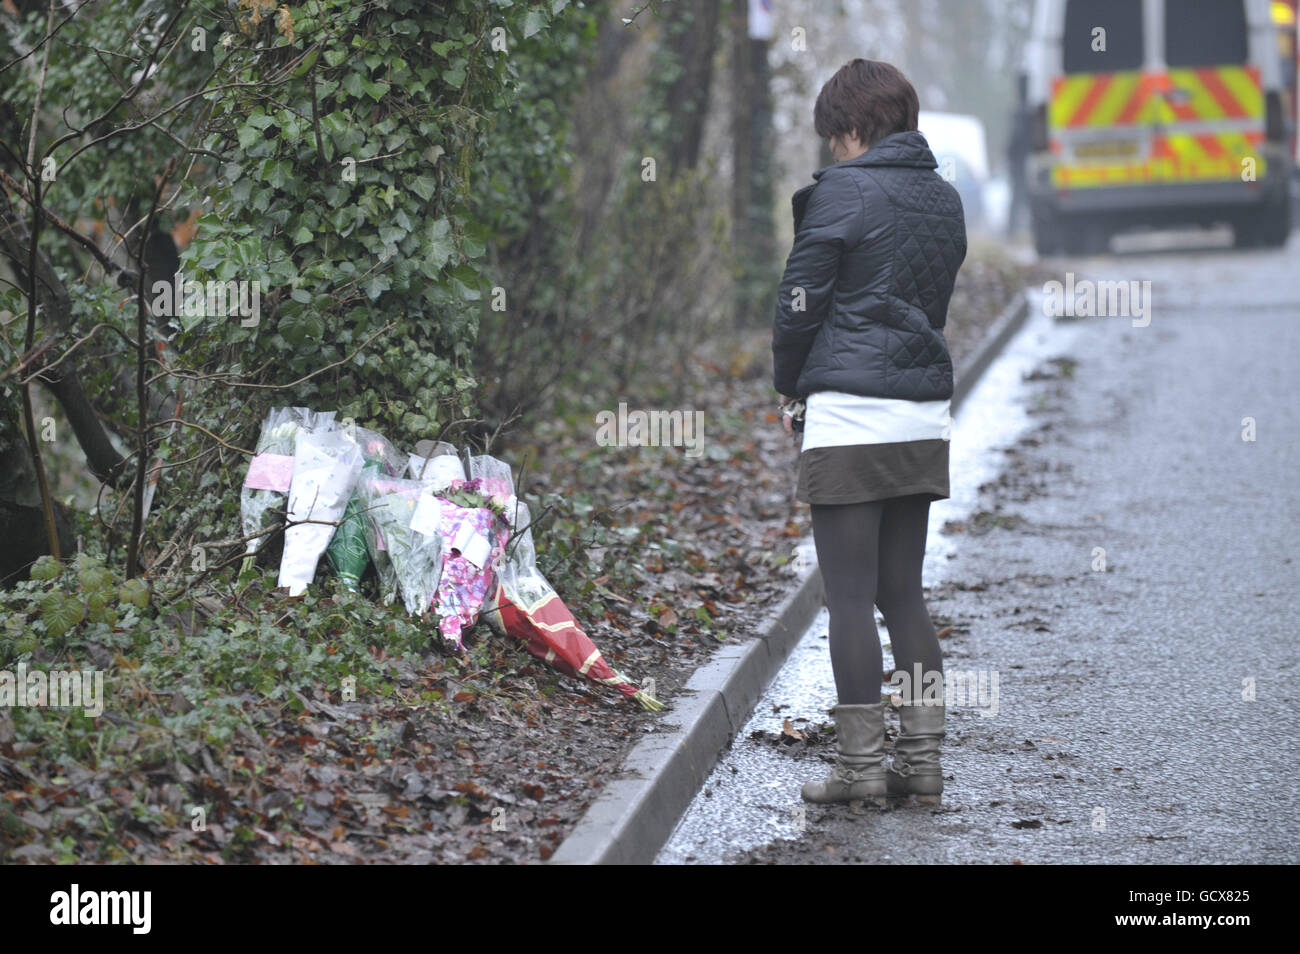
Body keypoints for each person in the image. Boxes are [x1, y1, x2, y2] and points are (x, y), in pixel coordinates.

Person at [771, 59, 967, 806]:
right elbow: (931, 301)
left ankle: (857, 774)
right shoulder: (944, 199)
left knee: (849, 598)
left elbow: (799, 301)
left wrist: (791, 378)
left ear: (853, 128)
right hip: (919, 414)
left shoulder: (845, 191)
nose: (831, 151)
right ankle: (922, 767)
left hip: (851, 415)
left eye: (834, 136)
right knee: (902, 595)